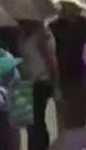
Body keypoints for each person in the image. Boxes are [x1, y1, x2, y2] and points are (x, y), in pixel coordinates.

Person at [48, 0, 86, 132]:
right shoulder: (54, 27)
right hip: (64, 82)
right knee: (64, 125)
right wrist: (56, 89)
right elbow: (52, 57)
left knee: (79, 124)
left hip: (84, 81)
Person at [16, 19, 56, 150]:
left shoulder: (41, 34)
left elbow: (50, 59)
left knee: (36, 122)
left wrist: (56, 84)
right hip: (25, 83)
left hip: (40, 82)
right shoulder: (21, 33)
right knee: (29, 124)